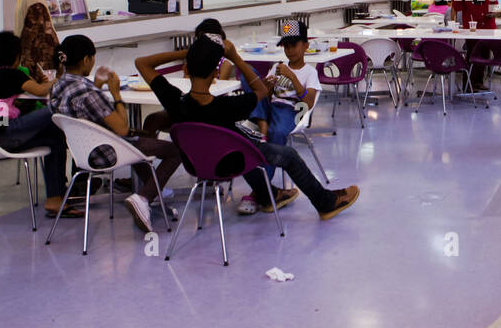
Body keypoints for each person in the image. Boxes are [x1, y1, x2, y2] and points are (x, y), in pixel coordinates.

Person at [134, 35, 360, 220]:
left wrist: (189, 53)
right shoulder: (229, 105)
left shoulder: (175, 102)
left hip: (195, 164)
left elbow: (141, 62)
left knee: (243, 142)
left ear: (186, 68)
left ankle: (268, 195)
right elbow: (261, 92)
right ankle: (325, 203)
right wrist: (234, 57)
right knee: (284, 154)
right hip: (230, 163)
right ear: (215, 73)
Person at [48, 34, 182, 232]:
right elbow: (122, 128)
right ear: (86, 59)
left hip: (81, 151)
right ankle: (143, 198)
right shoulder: (89, 93)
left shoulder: (58, 85)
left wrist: (98, 87)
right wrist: (116, 94)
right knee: (174, 151)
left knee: (141, 143)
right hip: (107, 150)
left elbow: (83, 108)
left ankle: (153, 192)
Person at [0, 32, 68, 206]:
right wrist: (60, 79)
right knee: (55, 109)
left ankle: (56, 197)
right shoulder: (12, 74)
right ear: (16, 57)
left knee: (55, 136)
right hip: (4, 134)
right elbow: (40, 91)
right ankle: (56, 194)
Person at [250, 20, 319, 149]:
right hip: (271, 106)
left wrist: (292, 77)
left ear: (305, 46)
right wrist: (266, 87)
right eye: (286, 46)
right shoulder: (277, 66)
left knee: (276, 132)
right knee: (248, 73)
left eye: (294, 45)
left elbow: (308, 103)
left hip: (291, 110)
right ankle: (262, 122)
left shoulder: (310, 72)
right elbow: (268, 96)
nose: (290, 50)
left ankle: (266, 166)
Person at [4, 0, 58, 75]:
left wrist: (24, 57)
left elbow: (34, 32)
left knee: (40, 89)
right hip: (36, 57)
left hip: (39, 58)